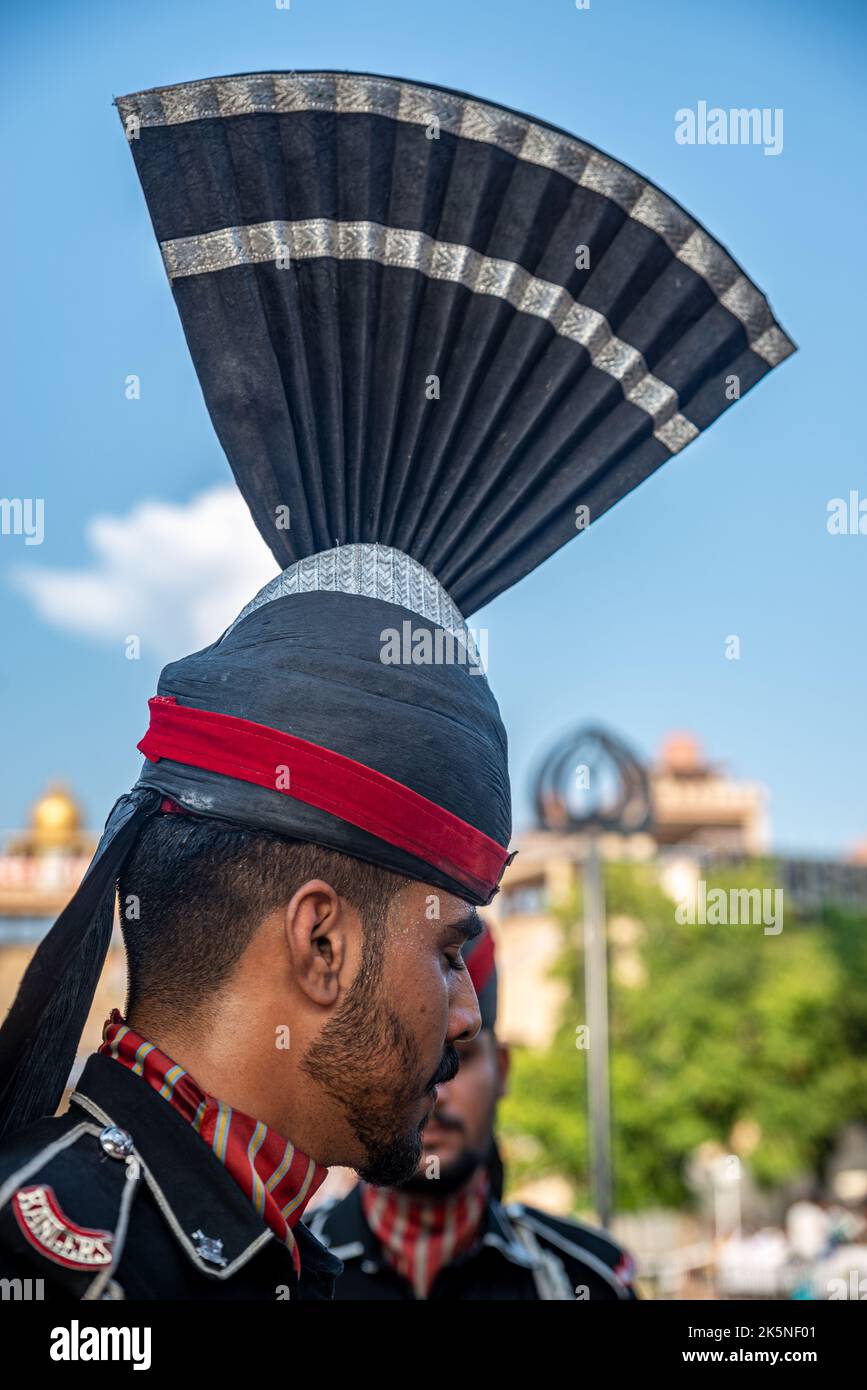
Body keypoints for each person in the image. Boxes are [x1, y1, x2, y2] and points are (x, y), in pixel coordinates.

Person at [0, 69, 792, 1301]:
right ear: (321, 941)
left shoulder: (260, 1257)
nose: (470, 1020)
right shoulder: (67, 1278)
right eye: (452, 946)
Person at [311, 925, 636, 1299]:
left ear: (502, 1070)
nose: (437, 1091)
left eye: (459, 1058)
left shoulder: (587, 1280)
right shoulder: (287, 1270)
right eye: (407, 1057)